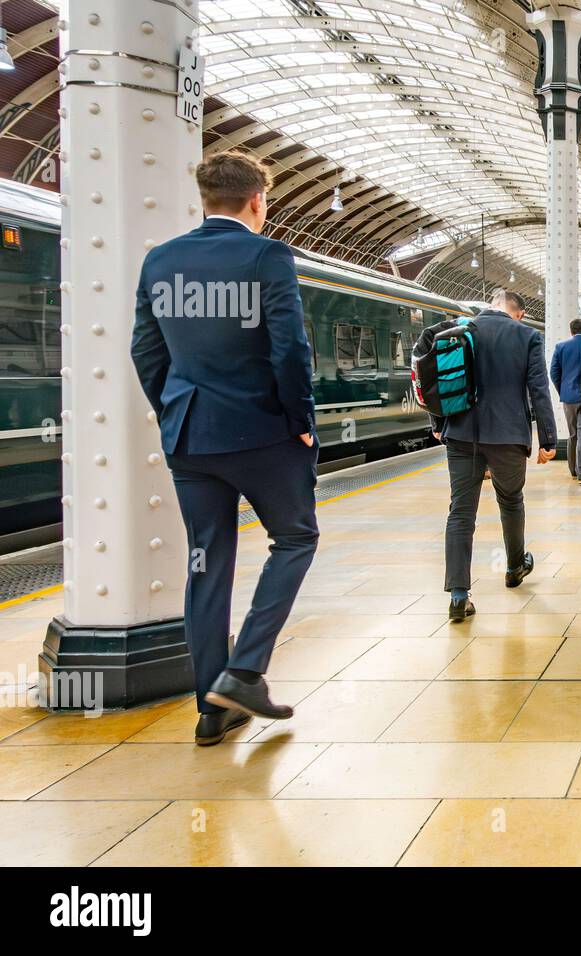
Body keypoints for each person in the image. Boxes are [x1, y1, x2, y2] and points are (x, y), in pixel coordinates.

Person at [131, 150, 318, 746]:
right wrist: (299, 419)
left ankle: (210, 710)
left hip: (191, 438)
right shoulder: (267, 255)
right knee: (294, 538)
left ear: (202, 199)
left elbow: (146, 351)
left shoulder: (161, 261)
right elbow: (289, 348)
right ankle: (244, 673)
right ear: (258, 201)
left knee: (206, 561)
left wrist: (174, 412)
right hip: (264, 432)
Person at [442, 288, 557, 622]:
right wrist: (548, 438)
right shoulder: (527, 336)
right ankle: (514, 566)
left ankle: (459, 595)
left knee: (460, 513)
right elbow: (538, 389)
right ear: (518, 313)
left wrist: (439, 423)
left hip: (461, 432)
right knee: (510, 500)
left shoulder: (460, 329)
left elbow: (438, 375)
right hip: (508, 434)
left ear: (491, 306)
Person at [549, 318, 581, 486]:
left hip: (569, 398)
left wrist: (563, 389)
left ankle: (573, 469)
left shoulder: (561, 347)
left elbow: (554, 372)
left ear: (571, 331)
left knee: (573, 434)